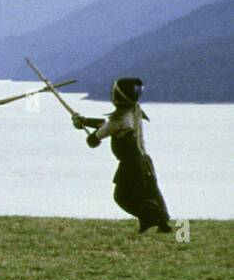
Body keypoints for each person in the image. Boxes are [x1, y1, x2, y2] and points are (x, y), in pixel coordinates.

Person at [72, 77, 172, 234]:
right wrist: (84, 121)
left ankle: (149, 217)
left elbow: (95, 138)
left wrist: (81, 124)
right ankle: (163, 224)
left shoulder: (119, 120)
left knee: (122, 197)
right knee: (150, 193)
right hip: (144, 160)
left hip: (130, 164)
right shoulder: (135, 110)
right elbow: (105, 124)